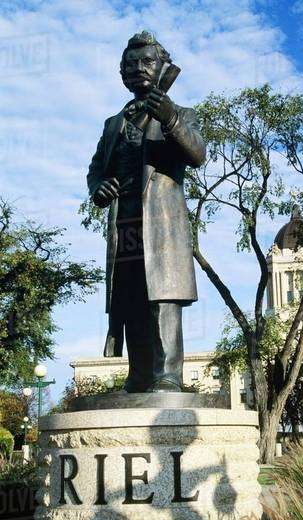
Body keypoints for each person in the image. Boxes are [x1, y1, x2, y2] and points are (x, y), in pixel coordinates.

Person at [87, 31, 206, 393]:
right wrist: (97, 188)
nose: (138, 68)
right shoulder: (113, 124)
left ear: (162, 68)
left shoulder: (182, 114)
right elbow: (95, 168)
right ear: (122, 73)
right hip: (123, 225)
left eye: (147, 62)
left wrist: (169, 119)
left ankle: (168, 373)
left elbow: (197, 154)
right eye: (130, 63)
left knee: (163, 296)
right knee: (131, 295)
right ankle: (139, 374)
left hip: (162, 225)